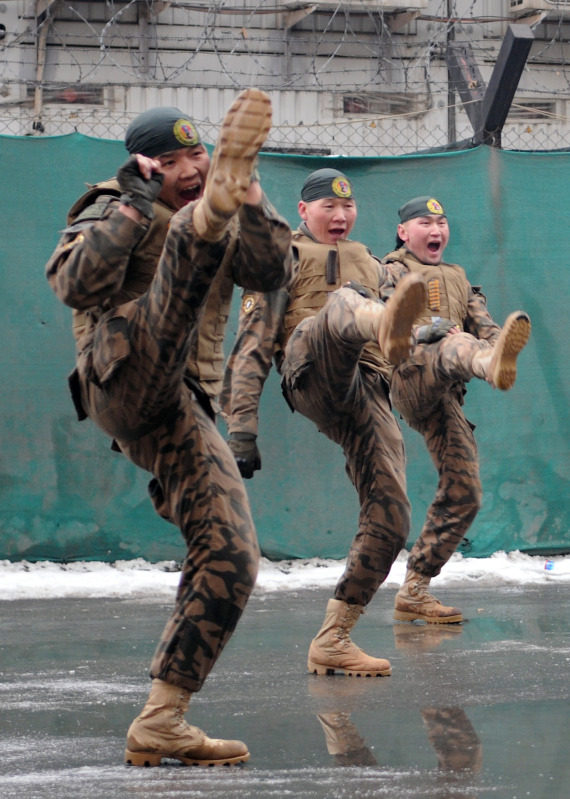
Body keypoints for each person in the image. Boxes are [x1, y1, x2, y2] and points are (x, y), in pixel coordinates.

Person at [45, 89, 291, 767]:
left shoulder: (227, 204)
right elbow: (74, 285)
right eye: (176, 159)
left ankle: (163, 718)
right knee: (190, 238)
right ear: (145, 164)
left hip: (182, 406)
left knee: (234, 552)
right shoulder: (117, 202)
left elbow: (271, 271)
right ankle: (201, 219)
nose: (192, 166)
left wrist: (250, 198)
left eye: (200, 154)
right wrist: (132, 207)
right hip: (122, 378)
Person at [222, 167, 427, 678]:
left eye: (348, 207)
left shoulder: (373, 263)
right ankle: (375, 319)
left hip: (367, 388)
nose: (340, 216)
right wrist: (241, 428)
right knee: (340, 305)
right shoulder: (282, 259)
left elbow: (415, 327)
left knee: (393, 516)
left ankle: (334, 636)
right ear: (303, 212)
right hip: (311, 370)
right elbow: (249, 347)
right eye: (327, 207)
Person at [380, 196, 531, 624]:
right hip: (409, 377)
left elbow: (486, 326)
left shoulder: (459, 278)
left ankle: (415, 588)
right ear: (404, 232)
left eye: (442, 222)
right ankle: (484, 362)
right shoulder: (389, 270)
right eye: (425, 222)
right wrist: (424, 331)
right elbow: (379, 319)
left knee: (466, 491)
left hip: (445, 392)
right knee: (450, 341)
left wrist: (500, 342)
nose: (436, 229)